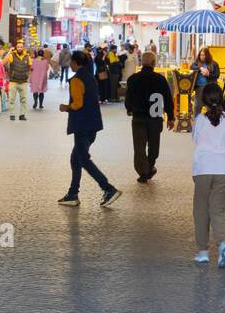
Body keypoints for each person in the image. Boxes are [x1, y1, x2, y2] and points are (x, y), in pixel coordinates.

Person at [57, 50, 121, 208]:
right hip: (92, 125)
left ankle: (108, 188)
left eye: (72, 62)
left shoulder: (77, 79)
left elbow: (77, 104)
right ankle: (73, 194)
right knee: (76, 159)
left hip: (82, 125)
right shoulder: (90, 77)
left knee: (83, 159)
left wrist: (65, 107)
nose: (70, 64)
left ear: (76, 63)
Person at [191, 83, 225, 266]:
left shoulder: (200, 120)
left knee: (201, 210)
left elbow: (196, 140)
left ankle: (203, 251)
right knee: (218, 209)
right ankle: (223, 244)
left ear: (204, 100)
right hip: (223, 169)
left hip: (203, 169)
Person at [125, 50, 171, 183]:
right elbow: (167, 99)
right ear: (153, 63)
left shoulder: (133, 79)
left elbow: (129, 97)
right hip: (155, 118)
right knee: (154, 146)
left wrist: (129, 109)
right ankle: (149, 168)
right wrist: (171, 117)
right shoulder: (160, 79)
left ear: (141, 63)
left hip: (138, 117)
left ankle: (144, 171)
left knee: (139, 147)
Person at [2, 38, 33, 120]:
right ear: (16, 47)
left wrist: (27, 75)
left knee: (24, 100)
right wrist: (9, 52)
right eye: (18, 47)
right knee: (11, 99)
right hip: (13, 81)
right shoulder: (12, 55)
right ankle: (12, 114)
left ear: (23, 48)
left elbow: (30, 67)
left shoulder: (27, 57)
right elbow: (3, 62)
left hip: (23, 82)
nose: (19, 48)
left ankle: (22, 115)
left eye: (21, 47)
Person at [192, 48, 220, 114]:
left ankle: (210, 122)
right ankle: (197, 122)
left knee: (210, 107)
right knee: (197, 107)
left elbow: (217, 75)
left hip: (210, 88)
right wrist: (200, 68)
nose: (202, 57)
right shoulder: (196, 63)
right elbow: (192, 67)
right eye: (201, 55)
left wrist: (208, 74)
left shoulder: (214, 64)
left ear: (207, 55)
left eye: (204, 55)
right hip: (199, 88)